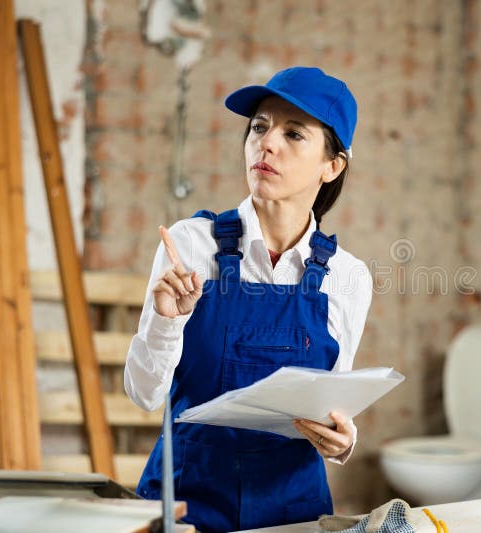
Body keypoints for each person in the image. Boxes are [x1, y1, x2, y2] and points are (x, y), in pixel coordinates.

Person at [124, 66, 373, 533]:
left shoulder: (348, 277)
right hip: (187, 505)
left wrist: (342, 442)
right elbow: (143, 395)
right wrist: (164, 320)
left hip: (293, 512)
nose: (267, 143)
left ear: (332, 165)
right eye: (260, 127)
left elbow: (331, 407)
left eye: (294, 133)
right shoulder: (190, 246)